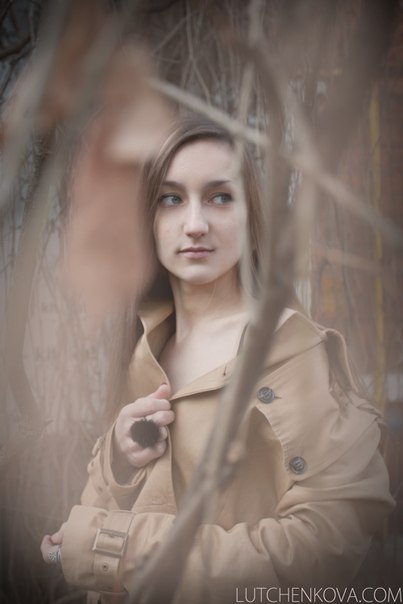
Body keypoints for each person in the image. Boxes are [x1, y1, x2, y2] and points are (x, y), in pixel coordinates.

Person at [41, 117, 395, 604]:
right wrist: (118, 463)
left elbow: (322, 552)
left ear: (252, 219)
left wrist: (113, 549)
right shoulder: (145, 346)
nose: (195, 224)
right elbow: (98, 516)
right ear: (148, 221)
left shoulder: (289, 353)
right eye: (171, 199)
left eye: (220, 197)